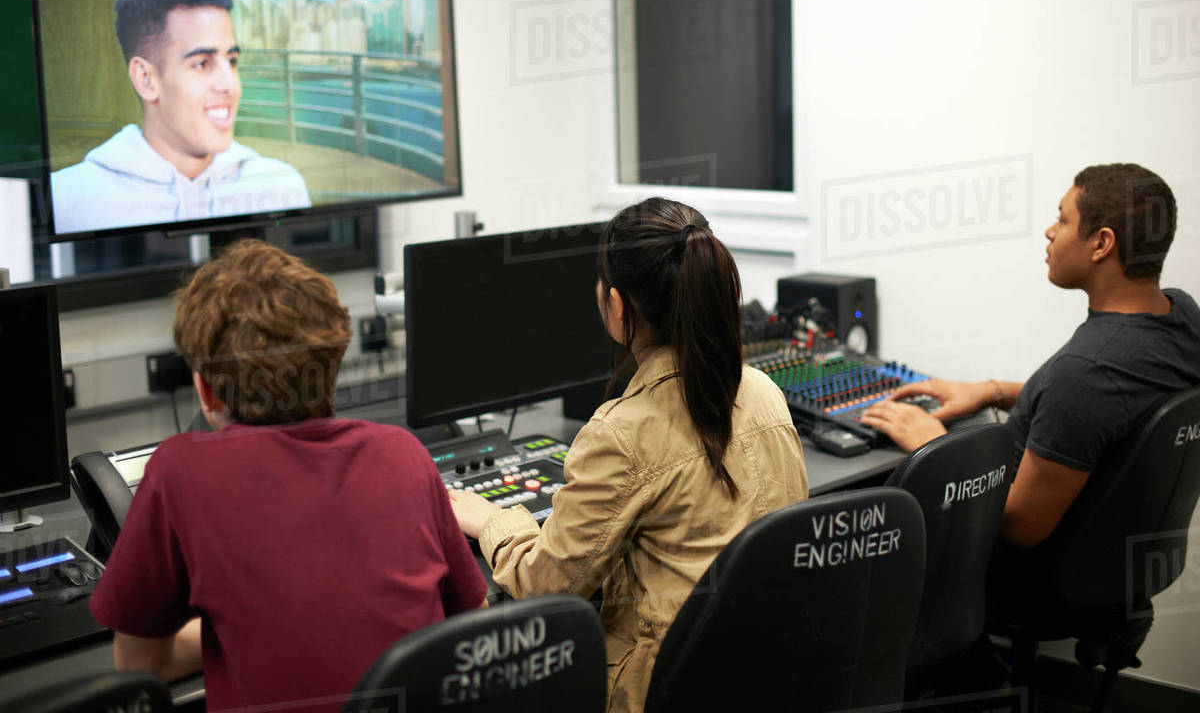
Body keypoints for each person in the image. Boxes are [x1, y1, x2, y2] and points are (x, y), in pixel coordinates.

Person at [90, 240, 485, 712]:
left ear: (205, 389)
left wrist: (232, 624)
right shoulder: (401, 452)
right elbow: (469, 619)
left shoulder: (179, 471)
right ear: (331, 369)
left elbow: (139, 663)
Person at [449, 197, 810, 713]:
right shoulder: (762, 391)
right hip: (765, 676)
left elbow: (546, 585)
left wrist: (491, 521)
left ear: (618, 308)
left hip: (660, 689)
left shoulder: (621, 432)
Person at [861, 163, 1200, 549]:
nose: (1050, 231)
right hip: (1112, 577)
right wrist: (993, 392)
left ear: (1101, 243)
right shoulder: (1183, 316)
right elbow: (1112, 410)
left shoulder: (1083, 375)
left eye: (1063, 219)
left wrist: (934, 444)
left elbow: (1018, 526)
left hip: (1025, 600)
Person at [51, 0, 310, 234]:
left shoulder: (282, 186)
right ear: (146, 79)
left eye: (231, 60)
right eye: (202, 63)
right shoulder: (68, 200)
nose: (230, 85)